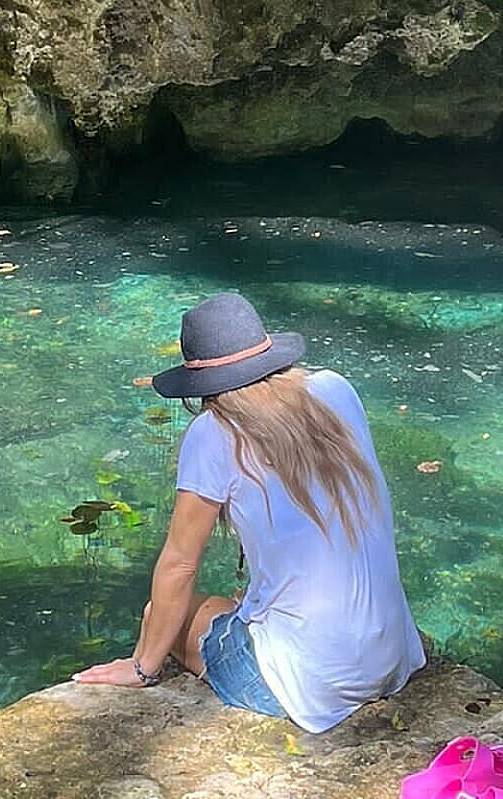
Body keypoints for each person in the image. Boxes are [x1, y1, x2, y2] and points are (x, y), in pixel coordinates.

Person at [73, 292, 426, 733]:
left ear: (200, 387)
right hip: (392, 658)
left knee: (159, 618)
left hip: (310, 685)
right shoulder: (336, 389)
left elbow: (180, 563)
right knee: (230, 606)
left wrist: (143, 667)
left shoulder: (215, 432)